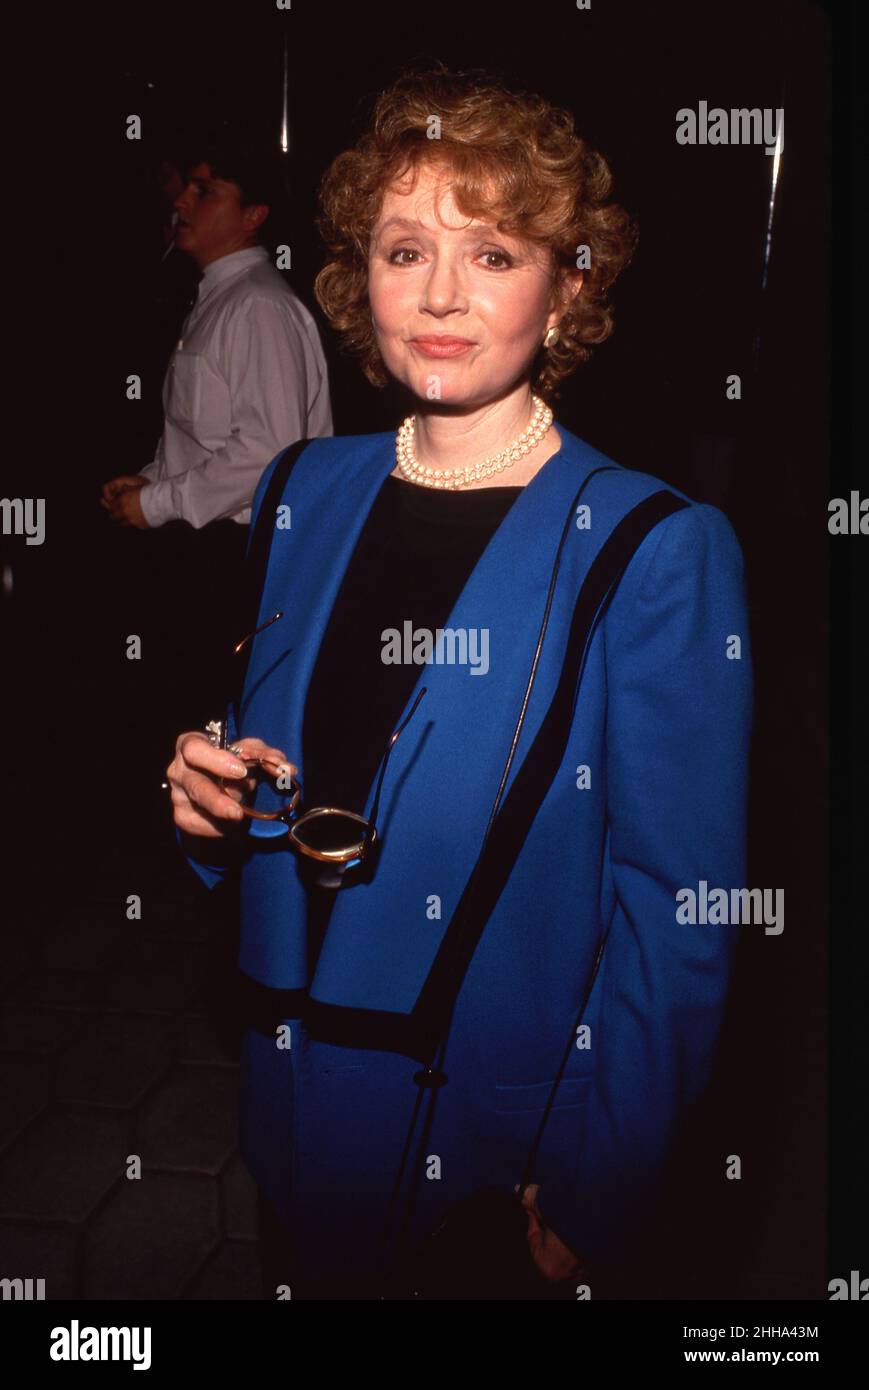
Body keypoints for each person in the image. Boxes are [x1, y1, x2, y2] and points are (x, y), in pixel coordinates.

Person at [164, 70, 753, 1300]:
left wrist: (605, 1173)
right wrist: (210, 798)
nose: (437, 294)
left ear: (568, 282)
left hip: (489, 1154)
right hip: (288, 1112)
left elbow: (677, 907)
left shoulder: (651, 547)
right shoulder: (299, 490)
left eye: (492, 253)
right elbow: (288, 746)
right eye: (402, 248)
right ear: (352, 275)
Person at [101, 133, 333, 737]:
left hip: (231, 561)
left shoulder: (258, 306)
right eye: (188, 187)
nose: (183, 201)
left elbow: (268, 454)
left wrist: (156, 502)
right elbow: (202, 431)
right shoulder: (217, 298)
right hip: (199, 554)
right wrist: (151, 479)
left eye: (207, 191)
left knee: (212, 727)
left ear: (253, 215)